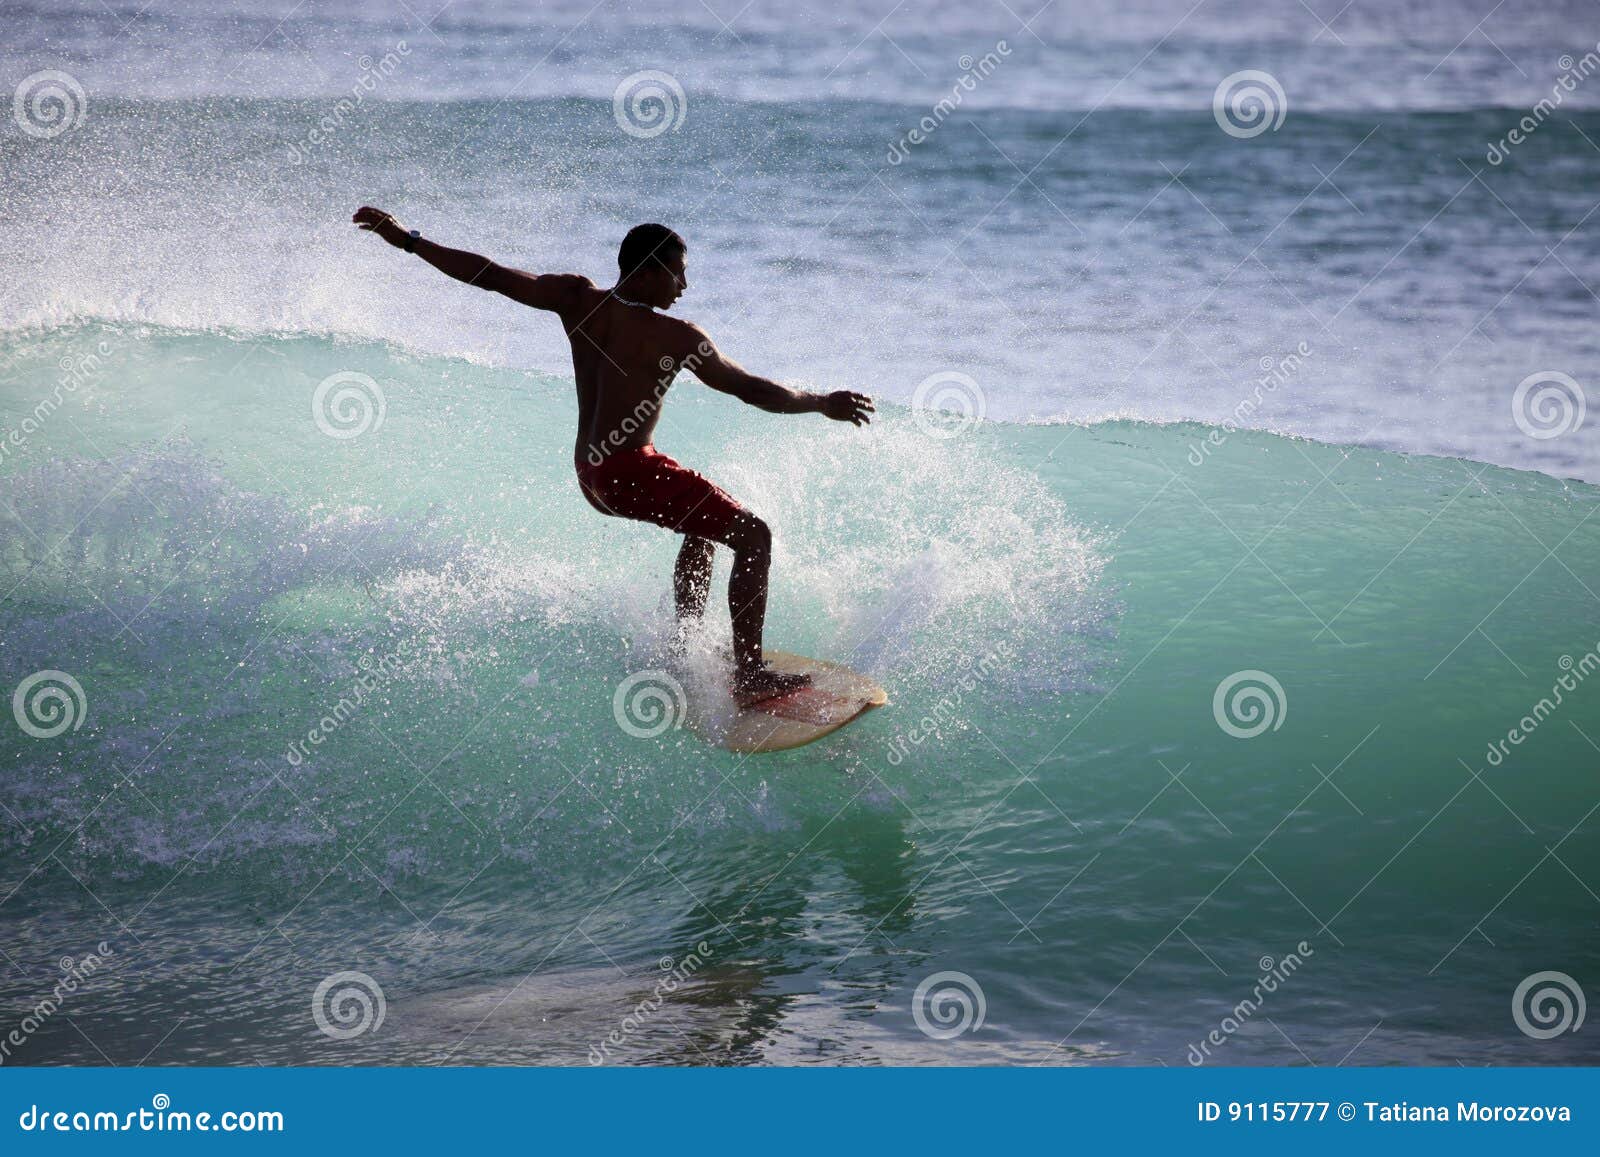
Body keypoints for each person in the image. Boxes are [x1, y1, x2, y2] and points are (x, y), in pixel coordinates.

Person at [352, 208, 873, 706]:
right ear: (647, 273)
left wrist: (407, 240)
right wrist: (820, 403)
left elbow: (488, 274)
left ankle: (685, 649)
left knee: (705, 526)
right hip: (631, 469)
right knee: (754, 535)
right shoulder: (677, 336)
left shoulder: (576, 299)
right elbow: (747, 388)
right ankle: (750, 676)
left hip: (591, 473)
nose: (684, 287)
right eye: (678, 274)